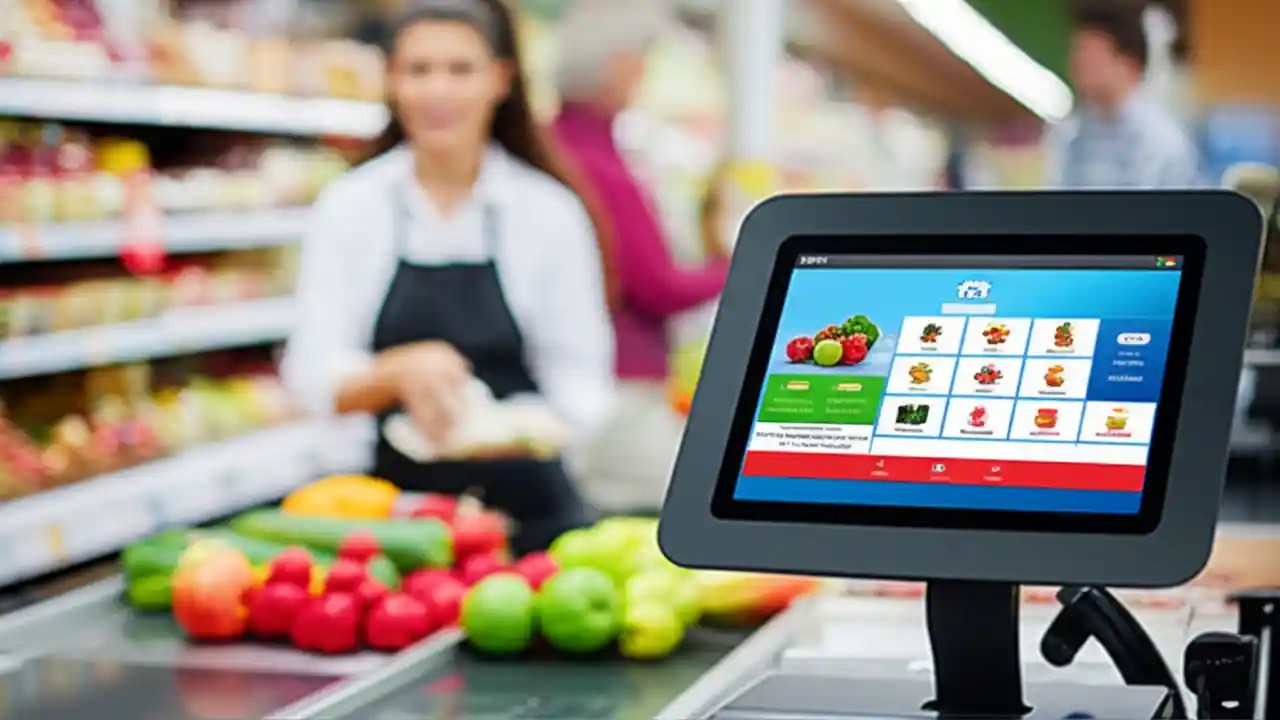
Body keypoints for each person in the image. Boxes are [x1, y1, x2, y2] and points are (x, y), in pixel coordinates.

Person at [281, 0, 614, 554]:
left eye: (460, 70)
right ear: (390, 80)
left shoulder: (548, 213)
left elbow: (582, 382)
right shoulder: (350, 206)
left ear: (500, 79)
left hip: (528, 515)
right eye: (419, 70)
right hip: (392, 519)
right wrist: (393, 374)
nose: (438, 90)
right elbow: (310, 372)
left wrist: (515, 431)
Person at [549, 0, 729, 513]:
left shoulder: (557, 147)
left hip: (583, 383)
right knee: (689, 505)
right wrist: (741, 264)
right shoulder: (600, 167)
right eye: (641, 61)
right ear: (616, 66)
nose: (643, 76)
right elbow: (656, 287)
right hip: (620, 387)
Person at [1046, 3, 1204, 189]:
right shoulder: (1072, 135)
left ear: (1129, 64)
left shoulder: (1161, 141)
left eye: (1091, 54)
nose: (1078, 62)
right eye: (1077, 51)